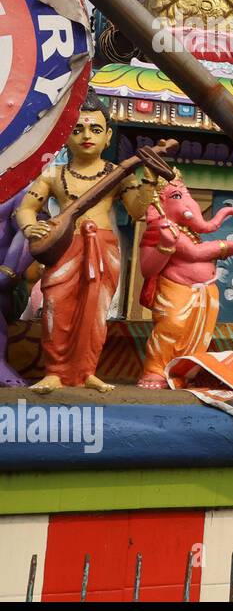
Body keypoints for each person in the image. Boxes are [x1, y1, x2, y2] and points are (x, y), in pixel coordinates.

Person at [16, 92, 158, 393]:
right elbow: (26, 207)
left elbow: (138, 211)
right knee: (56, 309)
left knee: (95, 313)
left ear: (108, 137)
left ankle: (87, 372)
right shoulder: (54, 174)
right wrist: (31, 228)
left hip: (103, 250)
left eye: (95, 129)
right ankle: (54, 371)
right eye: (78, 129)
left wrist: (150, 181)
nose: (86, 136)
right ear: (66, 135)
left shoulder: (119, 176)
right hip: (64, 248)